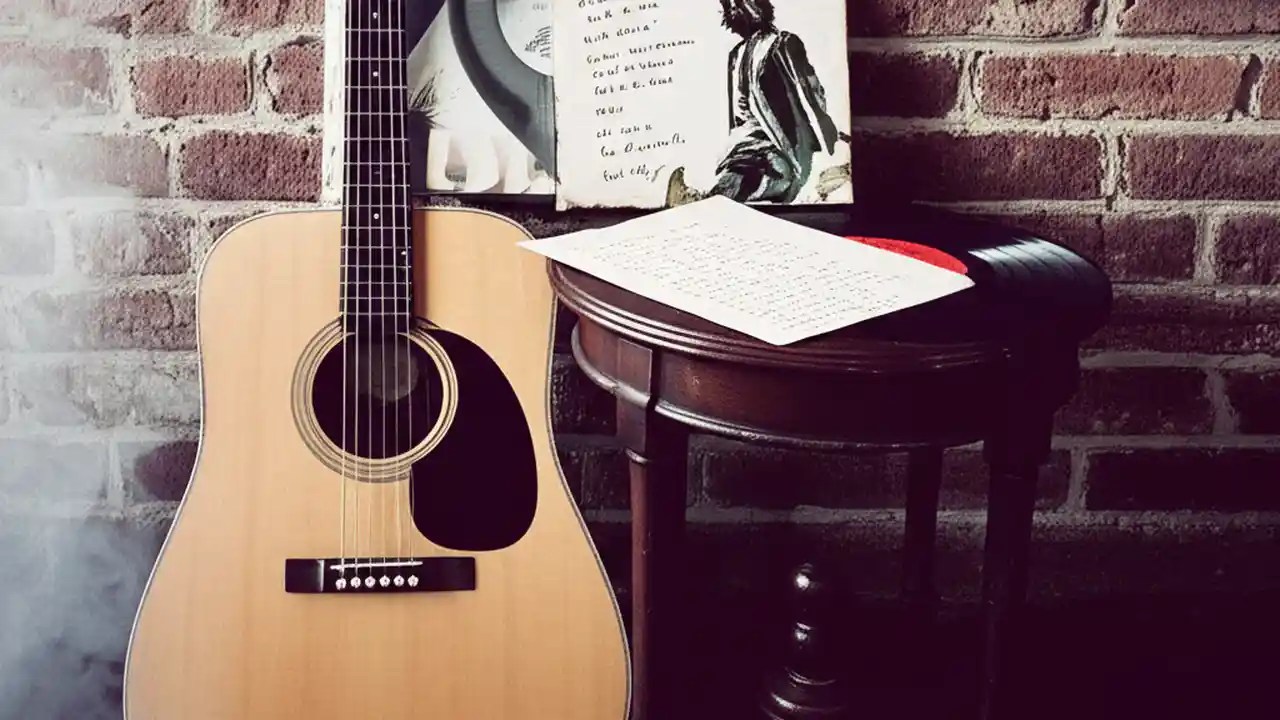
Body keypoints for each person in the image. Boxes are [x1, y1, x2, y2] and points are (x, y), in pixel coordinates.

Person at [710, 0, 840, 203]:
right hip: (745, 146)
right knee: (736, 173)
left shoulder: (783, 44)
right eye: (729, 4)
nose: (735, 8)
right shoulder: (735, 55)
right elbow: (736, 116)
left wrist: (828, 137)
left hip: (780, 148)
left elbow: (811, 94)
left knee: (756, 175)